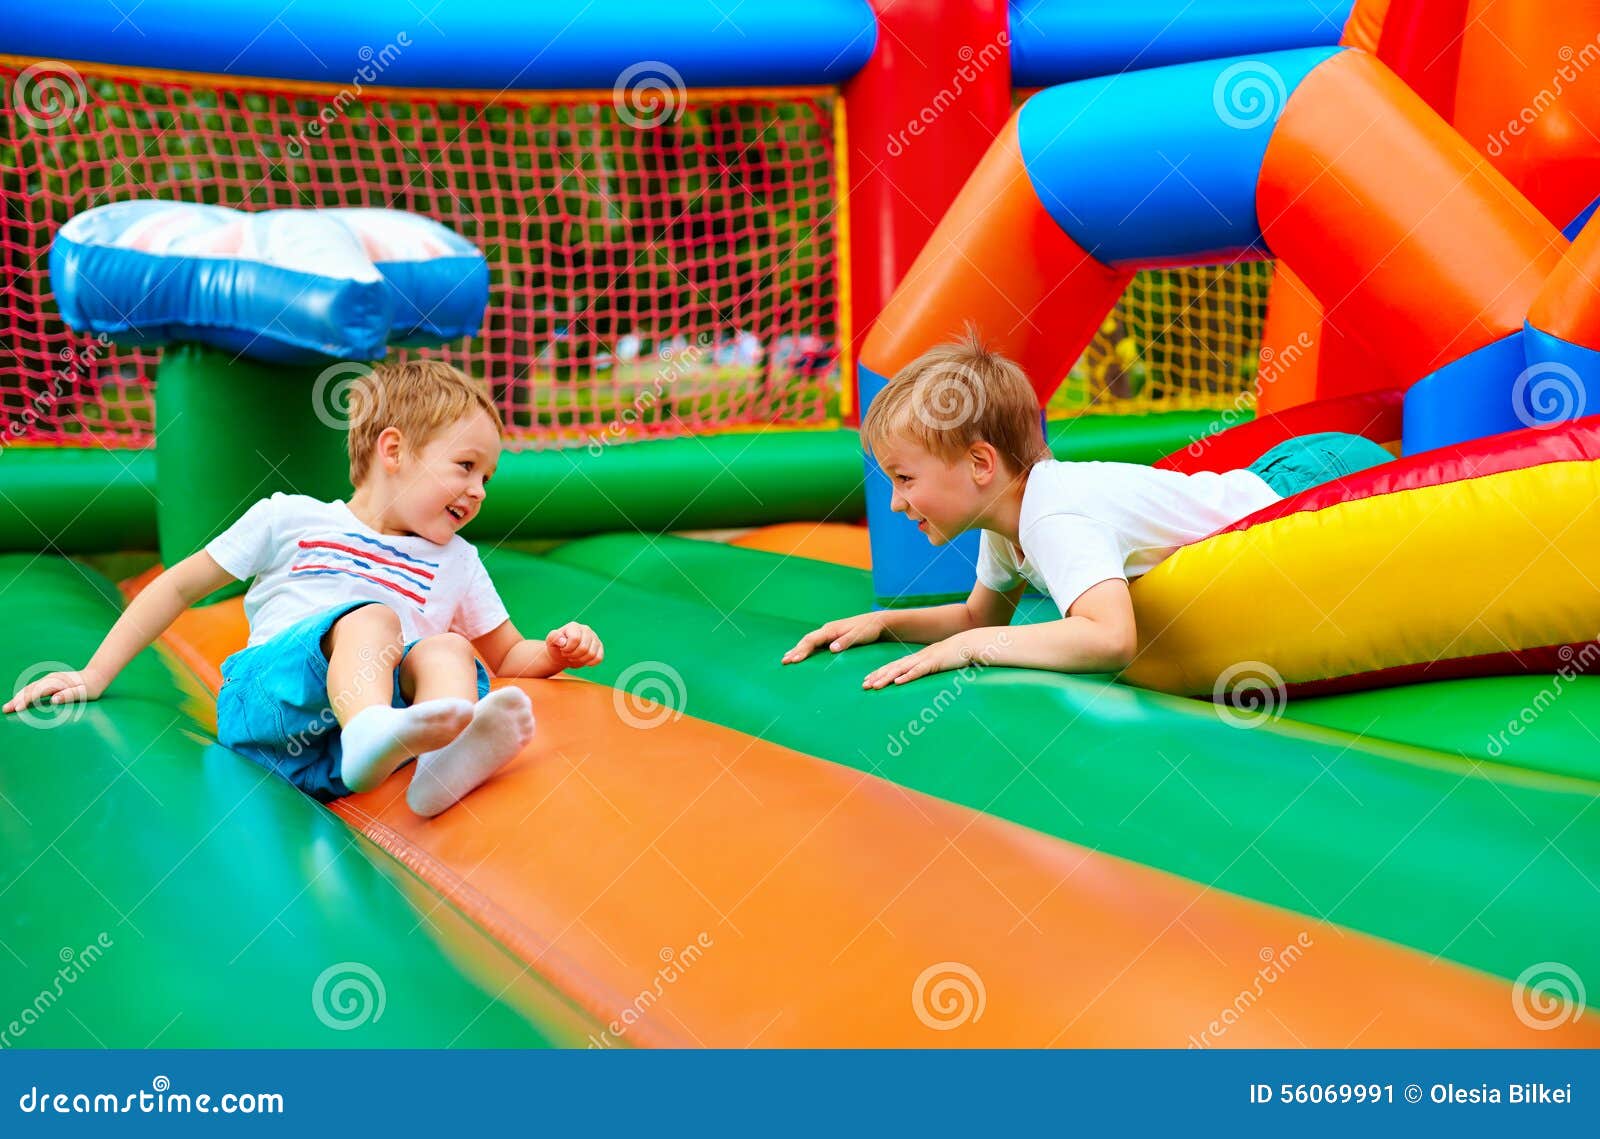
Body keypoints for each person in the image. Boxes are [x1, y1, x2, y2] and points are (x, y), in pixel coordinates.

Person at [4, 361, 604, 815]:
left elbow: (506, 655)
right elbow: (179, 586)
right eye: (465, 466)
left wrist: (554, 652)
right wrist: (92, 675)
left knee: (449, 650)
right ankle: (374, 728)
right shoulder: (291, 517)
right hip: (272, 713)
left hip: (351, 760)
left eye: (488, 478)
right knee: (371, 618)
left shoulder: (459, 561)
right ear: (392, 449)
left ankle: (439, 762)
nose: (478, 491)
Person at [782, 331, 1392, 688]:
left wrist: (971, 651)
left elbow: (1110, 639)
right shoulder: (1005, 521)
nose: (894, 501)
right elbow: (974, 617)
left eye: (905, 477)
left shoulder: (1053, 516)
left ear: (979, 463)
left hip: (1315, 484)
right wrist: (885, 623)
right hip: (1275, 473)